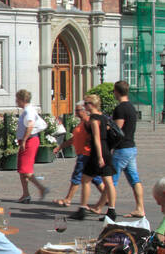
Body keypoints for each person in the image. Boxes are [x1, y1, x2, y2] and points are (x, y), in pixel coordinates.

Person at [76, 92, 116, 220]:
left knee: (85, 179)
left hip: (98, 151)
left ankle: (82, 209)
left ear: (92, 104)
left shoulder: (94, 119)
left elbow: (97, 138)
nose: (84, 106)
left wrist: (99, 157)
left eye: (86, 103)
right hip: (107, 150)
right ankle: (111, 210)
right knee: (108, 181)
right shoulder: (104, 117)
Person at [55, 103, 103, 208]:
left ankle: (68, 199)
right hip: (84, 154)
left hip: (85, 154)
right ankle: (106, 196)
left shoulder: (88, 122)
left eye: (78, 111)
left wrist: (90, 144)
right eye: (76, 111)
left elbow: (95, 135)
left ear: (84, 110)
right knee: (95, 178)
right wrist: (60, 146)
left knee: (77, 176)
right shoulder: (82, 123)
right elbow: (74, 139)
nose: (76, 113)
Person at [110, 80, 144, 218]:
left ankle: (108, 209)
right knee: (134, 179)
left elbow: (117, 131)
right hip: (131, 147)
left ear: (117, 92)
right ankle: (140, 208)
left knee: (111, 180)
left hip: (122, 149)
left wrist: (110, 144)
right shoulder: (131, 107)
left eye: (114, 91)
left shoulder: (120, 109)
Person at [15, 89, 49, 203]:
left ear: (22, 99)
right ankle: (25, 194)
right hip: (25, 141)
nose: (16, 101)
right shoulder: (26, 110)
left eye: (17, 99)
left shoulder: (29, 111)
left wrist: (24, 140)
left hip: (29, 140)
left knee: (26, 170)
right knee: (21, 169)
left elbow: (30, 126)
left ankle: (42, 188)